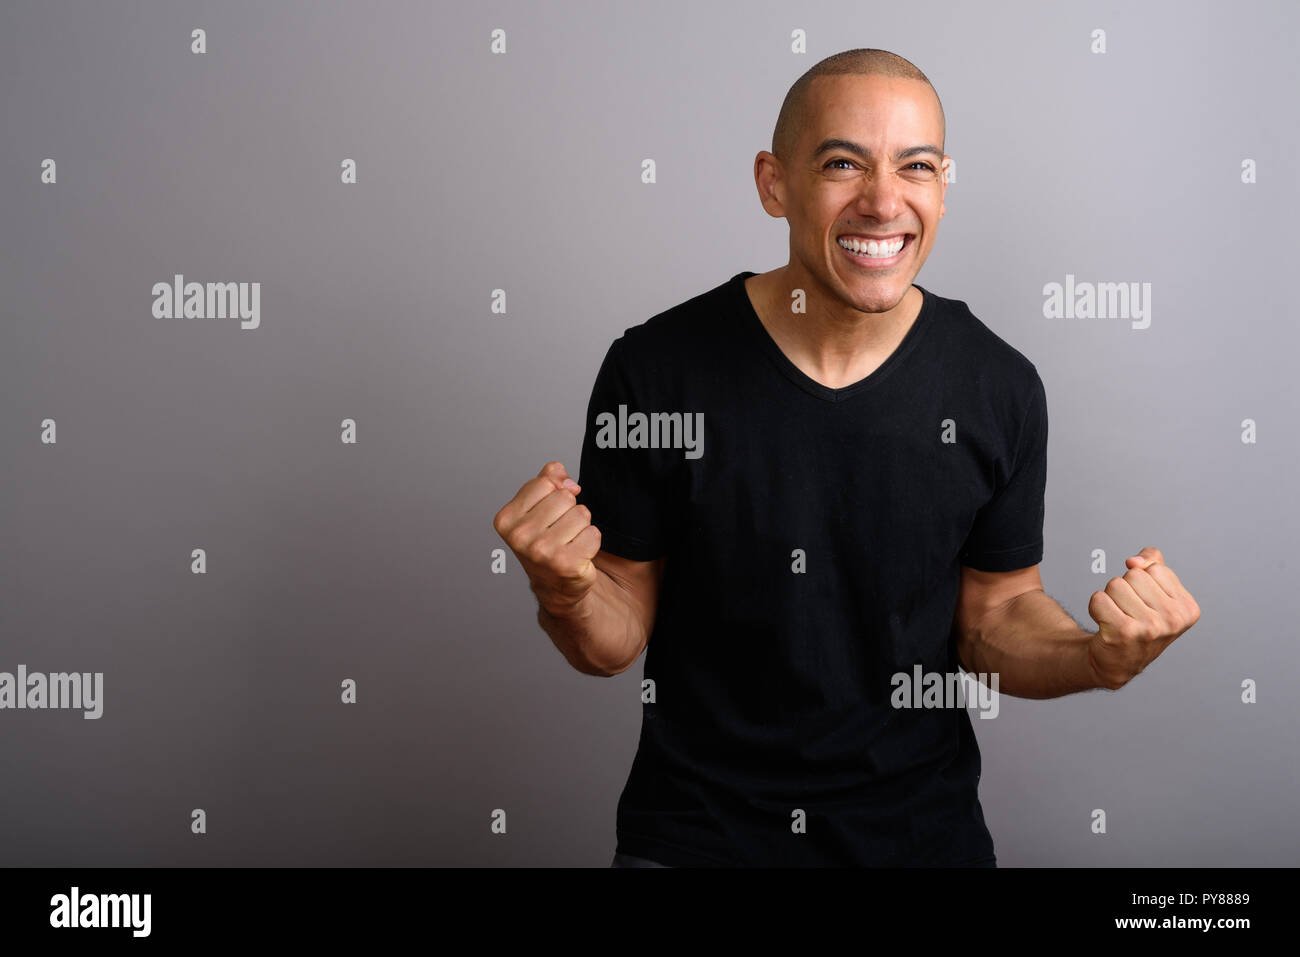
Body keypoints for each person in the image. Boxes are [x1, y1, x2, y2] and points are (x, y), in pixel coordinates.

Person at [492, 48, 1201, 868]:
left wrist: (1096, 658)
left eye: (917, 167)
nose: (883, 202)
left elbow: (995, 618)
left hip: (921, 840)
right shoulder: (656, 370)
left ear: (942, 186)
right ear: (774, 183)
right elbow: (613, 639)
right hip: (696, 837)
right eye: (841, 163)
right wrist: (566, 591)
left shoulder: (1000, 386)